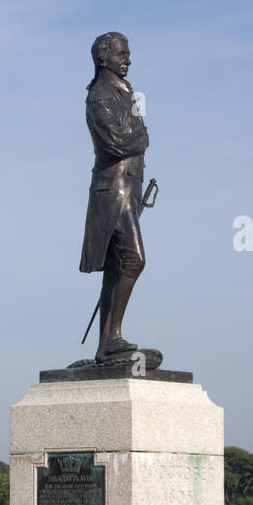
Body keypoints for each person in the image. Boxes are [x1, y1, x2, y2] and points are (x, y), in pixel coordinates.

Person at [79, 32, 149, 361]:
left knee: (116, 267)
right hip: (113, 192)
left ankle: (105, 347)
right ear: (103, 58)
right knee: (134, 259)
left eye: (128, 53)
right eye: (122, 53)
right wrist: (141, 135)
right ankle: (112, 338)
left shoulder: (123, 92)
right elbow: (121, 142)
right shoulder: (100, 96)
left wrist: (137, 135)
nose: (128, 59)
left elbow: (132, 137)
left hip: (128, 188)